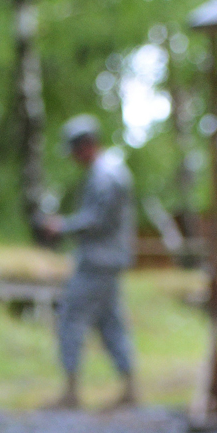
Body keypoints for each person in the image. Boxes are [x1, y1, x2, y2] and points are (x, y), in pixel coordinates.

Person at [40, 114, 138, 410]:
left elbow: (99, 220)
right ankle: (130, 387)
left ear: (86, 146)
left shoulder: (105, 175)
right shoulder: (109, 171)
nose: (72, 158)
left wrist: (62, 226)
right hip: (108, 261)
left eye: (74, 150)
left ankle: (70, 392)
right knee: (110, 322)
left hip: (97, 261)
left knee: (70, 318)